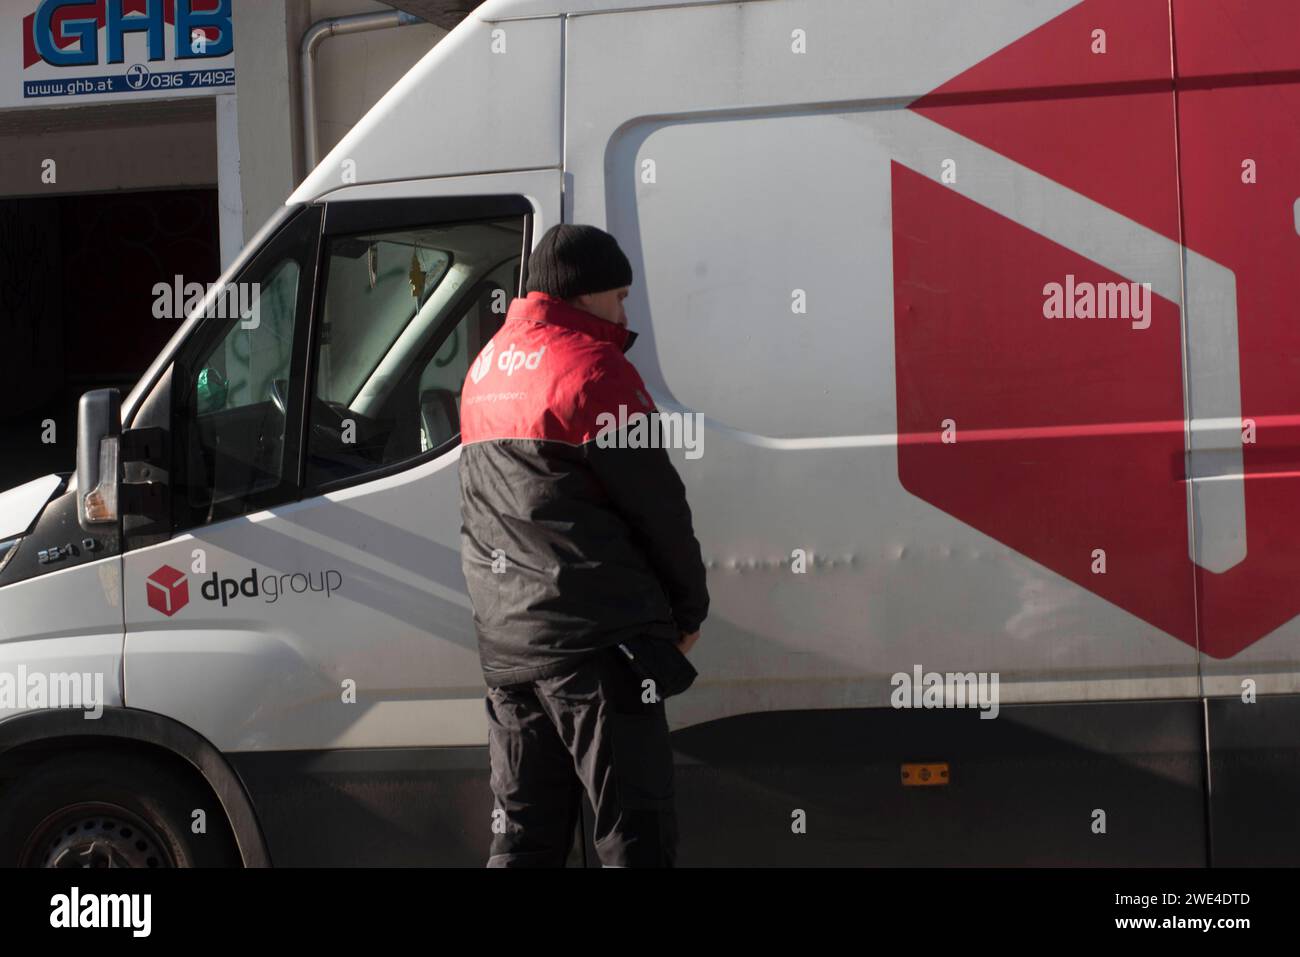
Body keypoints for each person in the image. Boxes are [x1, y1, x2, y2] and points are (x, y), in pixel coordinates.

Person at [458, 223, 709, 867]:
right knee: (633, 835)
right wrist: (688, 613)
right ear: (582, 295)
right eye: (618, 297)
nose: (625, 314)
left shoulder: (484, 370)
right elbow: (659, 509)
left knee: (524, 838)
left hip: (509, 650)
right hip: (597, 650)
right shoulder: (595, 371)